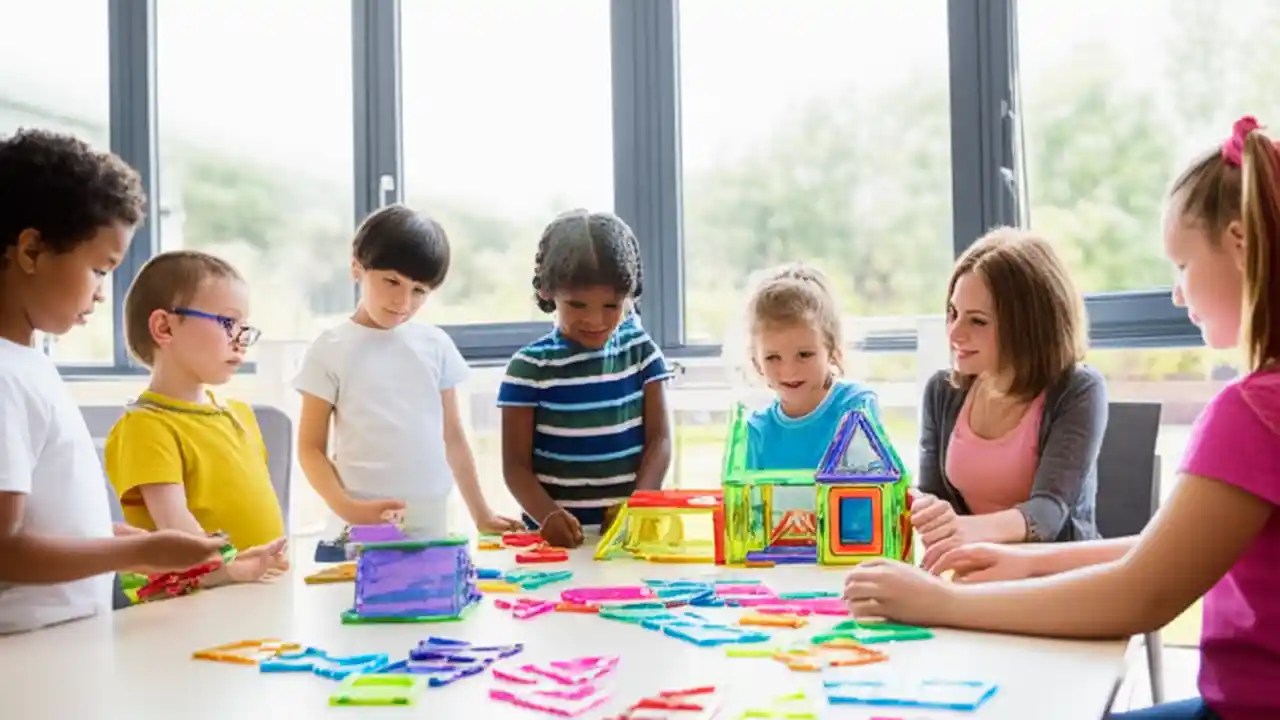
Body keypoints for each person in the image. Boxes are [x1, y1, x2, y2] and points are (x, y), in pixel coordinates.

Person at [843, 116, 1280, 720]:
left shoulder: (1252, 411)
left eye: (1181, 266)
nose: (1177, 294)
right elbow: (1164, 550)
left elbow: (1144, 593)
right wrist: (1022, 561)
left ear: (1239, 244)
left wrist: (935, 603)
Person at [0, 128, 227, 634]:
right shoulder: (4, 378)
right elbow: (4, 550)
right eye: (100, 269)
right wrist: (138, 547)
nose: (102, 293)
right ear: (32, 251)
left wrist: (117, 539)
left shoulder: (28, 363)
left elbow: (43, 525)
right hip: (25, 653)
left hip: (61, 639)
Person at [294, 204, 520, 540]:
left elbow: (454, 437)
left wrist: (481, 514)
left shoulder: (435, 344)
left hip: (430, 515)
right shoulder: (330, 348)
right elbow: (310, 448)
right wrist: (346, 507)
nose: (403, 302)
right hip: (360, 516)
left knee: (432, 591)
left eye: (418, 291)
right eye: (391, 282)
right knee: (359, 592)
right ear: (357, 266)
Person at [913, 228, 1107, 570]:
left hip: (1060, 581)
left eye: (977, 321)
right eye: (952, 313)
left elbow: (1047, 515)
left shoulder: (1078, 390)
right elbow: (933, 496)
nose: (955, 333)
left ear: (1028, 326)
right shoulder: (941, 392)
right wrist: (927, 512)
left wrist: (962, 530)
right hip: (975, 577)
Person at [498, 209, 674, 548]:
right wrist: (548, 516)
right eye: (577, 305)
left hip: (628, 540)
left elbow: (660, 442)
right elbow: (515, 467)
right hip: (554, 545)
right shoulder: (528, 368)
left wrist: (639, 507)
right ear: (549, 292)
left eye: (611, 305)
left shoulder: (642, 354)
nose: (595, 320)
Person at [105, 250, 288, 558]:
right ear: (164, 328)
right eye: (228, 322)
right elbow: (177, 529)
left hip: (255, 594)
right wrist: (230, 569)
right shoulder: (145, 427)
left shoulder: (238, 414)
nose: (241, 338)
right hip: (194, 601)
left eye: (244, 326)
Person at [736, 263, 879, 471]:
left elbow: (871, 483)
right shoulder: (756, 430)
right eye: (773, 357)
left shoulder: (855, 406)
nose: (789, 370)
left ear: (831, 349)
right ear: (756, 360)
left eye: (804, 355)